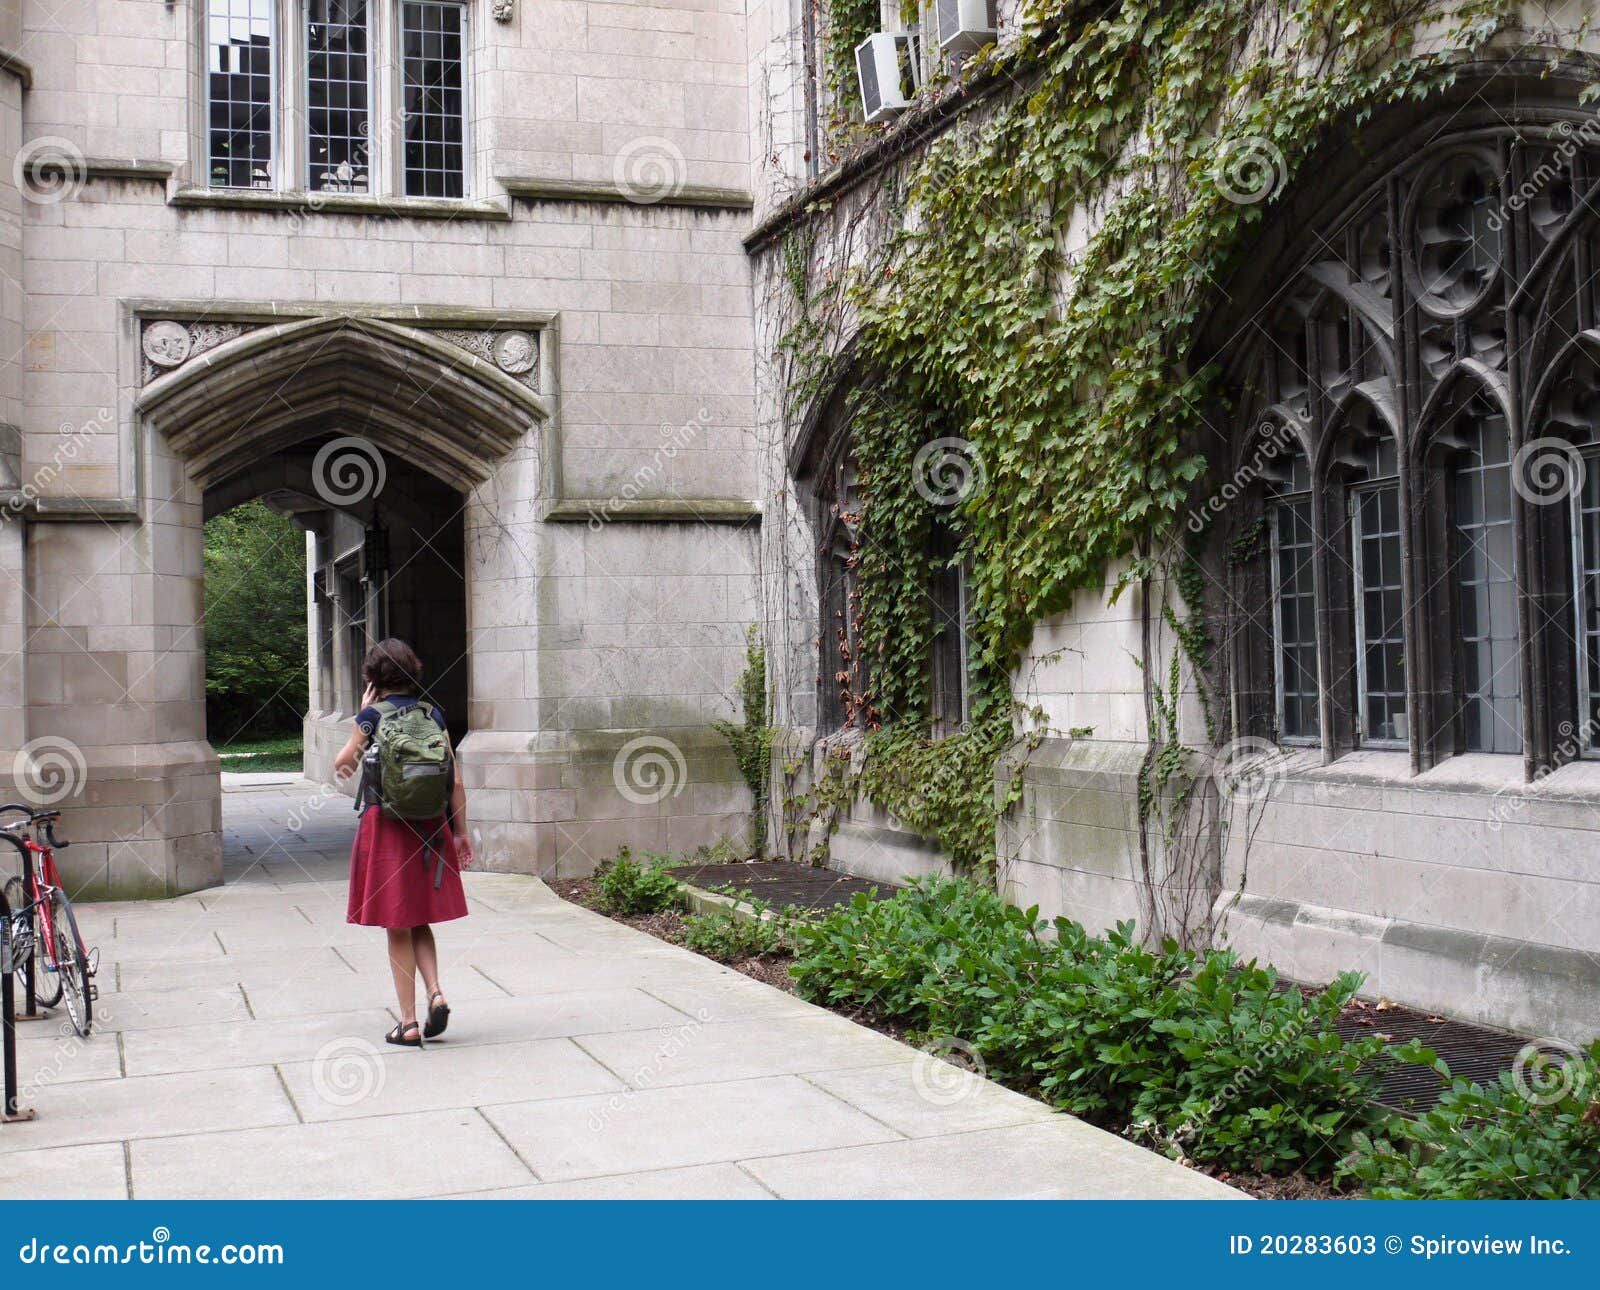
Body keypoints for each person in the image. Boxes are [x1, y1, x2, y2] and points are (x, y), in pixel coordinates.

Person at [334, 638, 473, 1048]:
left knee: (397, 924)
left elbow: (343, 768)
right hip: (430, 826)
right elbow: (456, 781)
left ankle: (409, 1024)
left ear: (374, 679)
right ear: (414, 672)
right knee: (420, 917)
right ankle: (436, 993)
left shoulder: (370, 716)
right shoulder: (434, 714)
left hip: (388, 826)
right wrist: (461, 832)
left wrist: (360, 719)